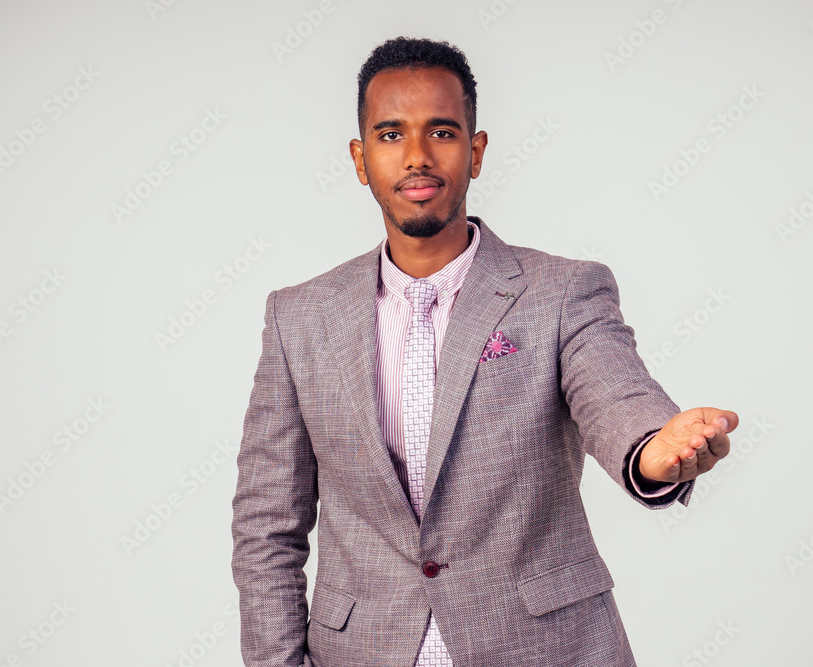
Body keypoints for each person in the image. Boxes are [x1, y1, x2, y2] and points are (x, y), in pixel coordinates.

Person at [231, 36, 738, 667]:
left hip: (544, 649)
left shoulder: (562, 291)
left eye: (441, 132)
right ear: (360, 159)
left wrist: (652, 448)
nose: (417, 156)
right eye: (390, 135)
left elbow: (615, 393)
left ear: (475, 151)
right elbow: (266, 526)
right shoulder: (299, 317)